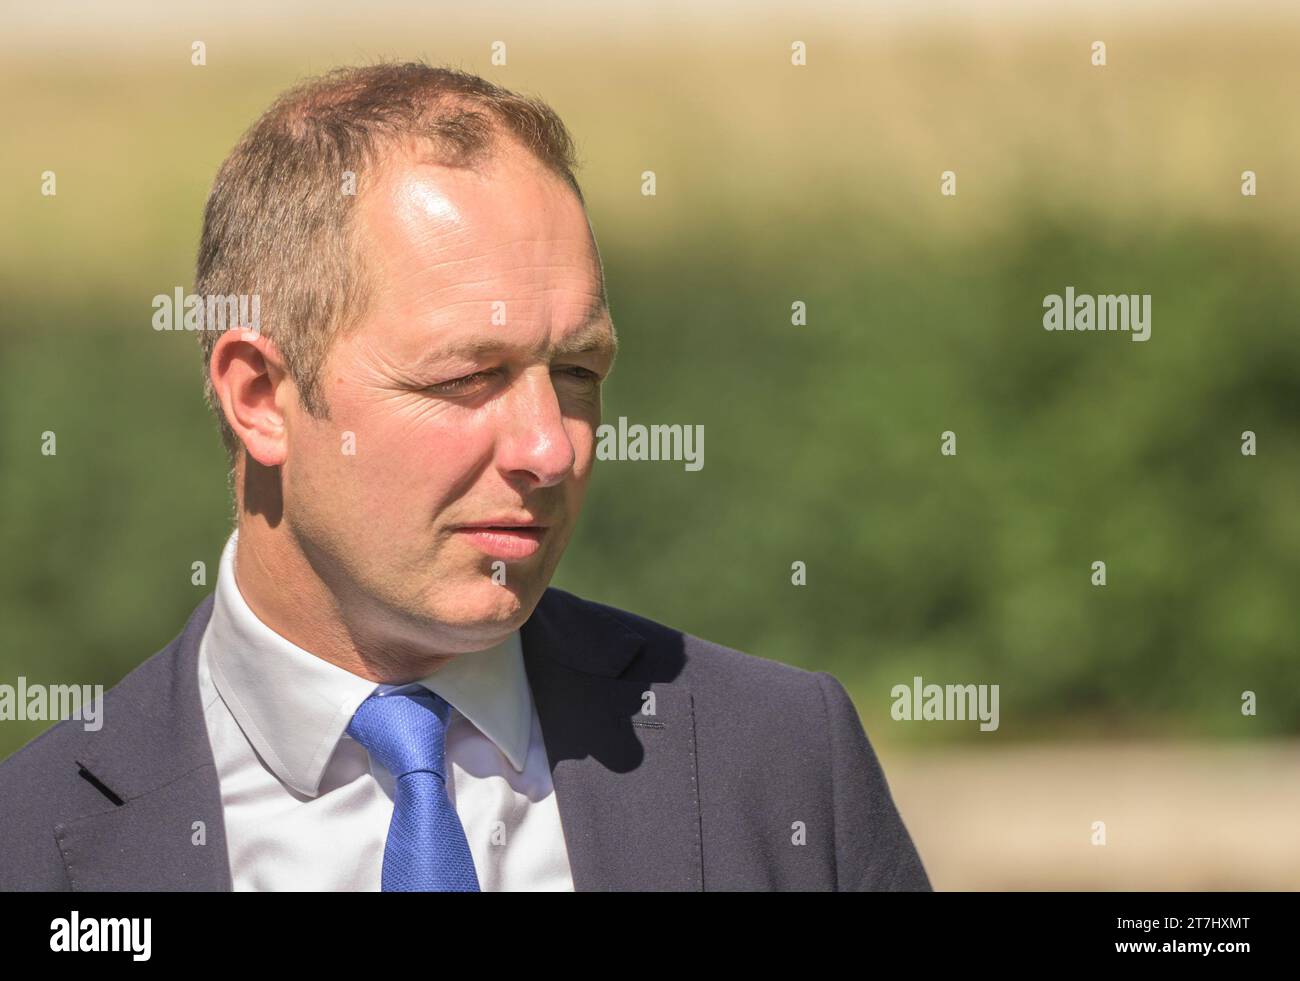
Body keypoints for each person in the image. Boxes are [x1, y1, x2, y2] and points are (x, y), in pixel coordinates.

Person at [0, 62, 930, 891]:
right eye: (465, 378)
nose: (549, 446)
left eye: (576, 373)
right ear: (261, 396)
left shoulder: (776, 762)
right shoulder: (32, 842)